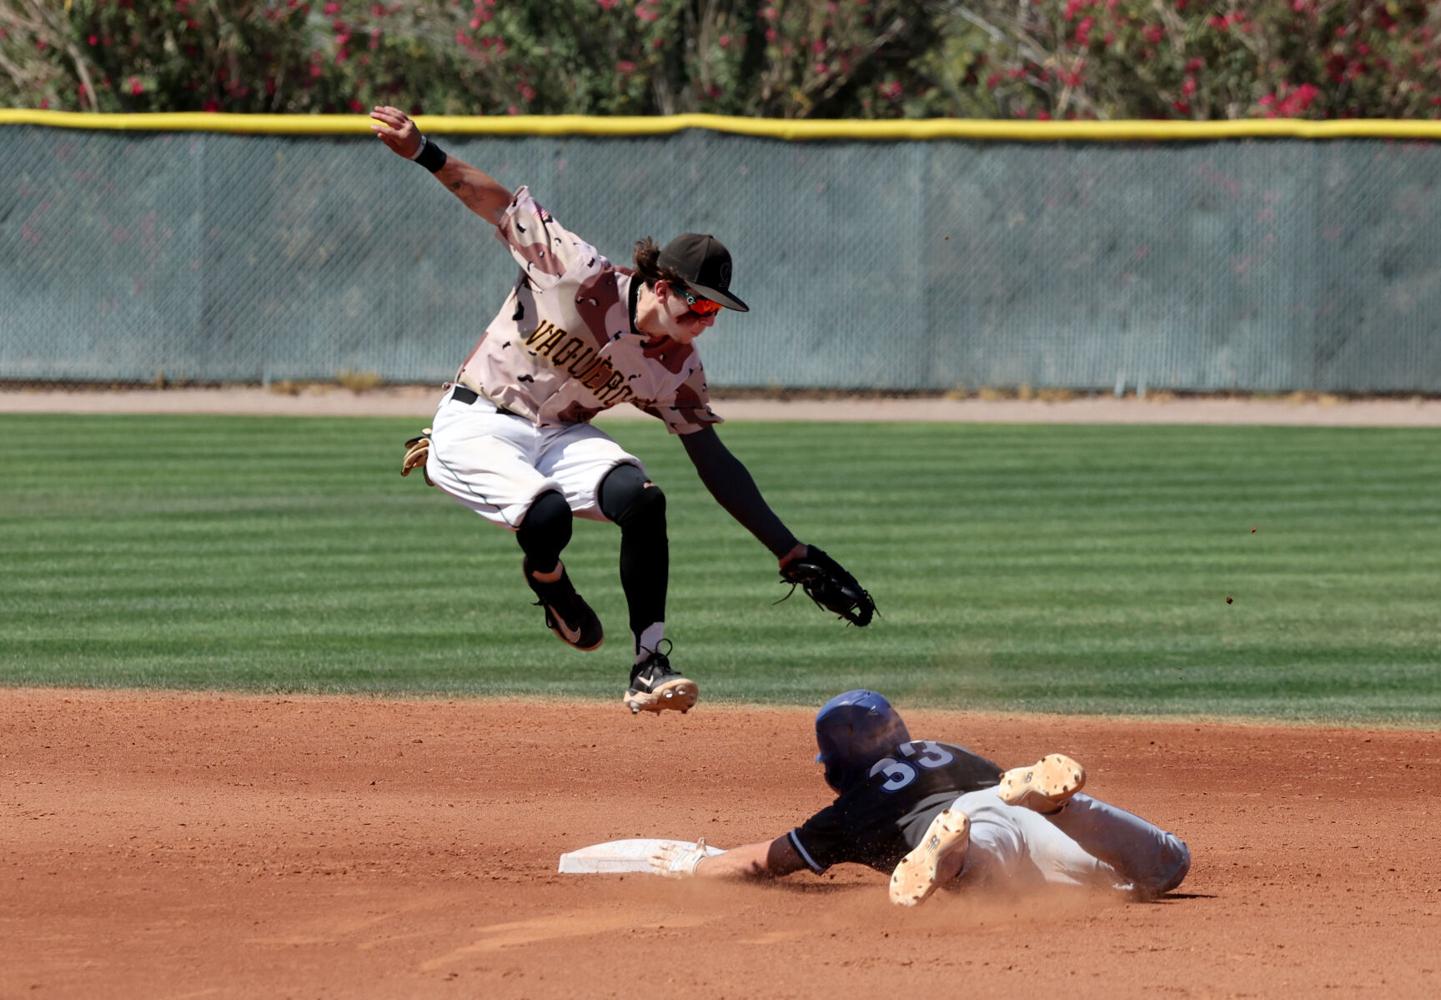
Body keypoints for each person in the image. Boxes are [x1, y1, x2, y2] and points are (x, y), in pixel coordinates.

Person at [370, 106, 874, 716]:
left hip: (559, 433)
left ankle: (648, 663)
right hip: (478, 420)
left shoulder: (675, 366)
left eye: (715, 313)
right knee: (547, 513)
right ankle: (549, 581)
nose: (704, 321)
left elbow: (713, 459)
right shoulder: (575, 272)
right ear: (662, 286)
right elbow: (498, 205)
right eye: (698, 305)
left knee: (644, 499)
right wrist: (425, 151)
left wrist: (787, 549)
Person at [648, 689, 1191, 905]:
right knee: (1160, 868)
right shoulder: (944, 750)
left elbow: (764, 860)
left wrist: (696, 865)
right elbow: (994, 797)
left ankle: (951, 861)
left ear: (836, 760)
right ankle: (1058, 804)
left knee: (987, 872)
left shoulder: (851, 808)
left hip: (971, 825)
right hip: (1011, 804)